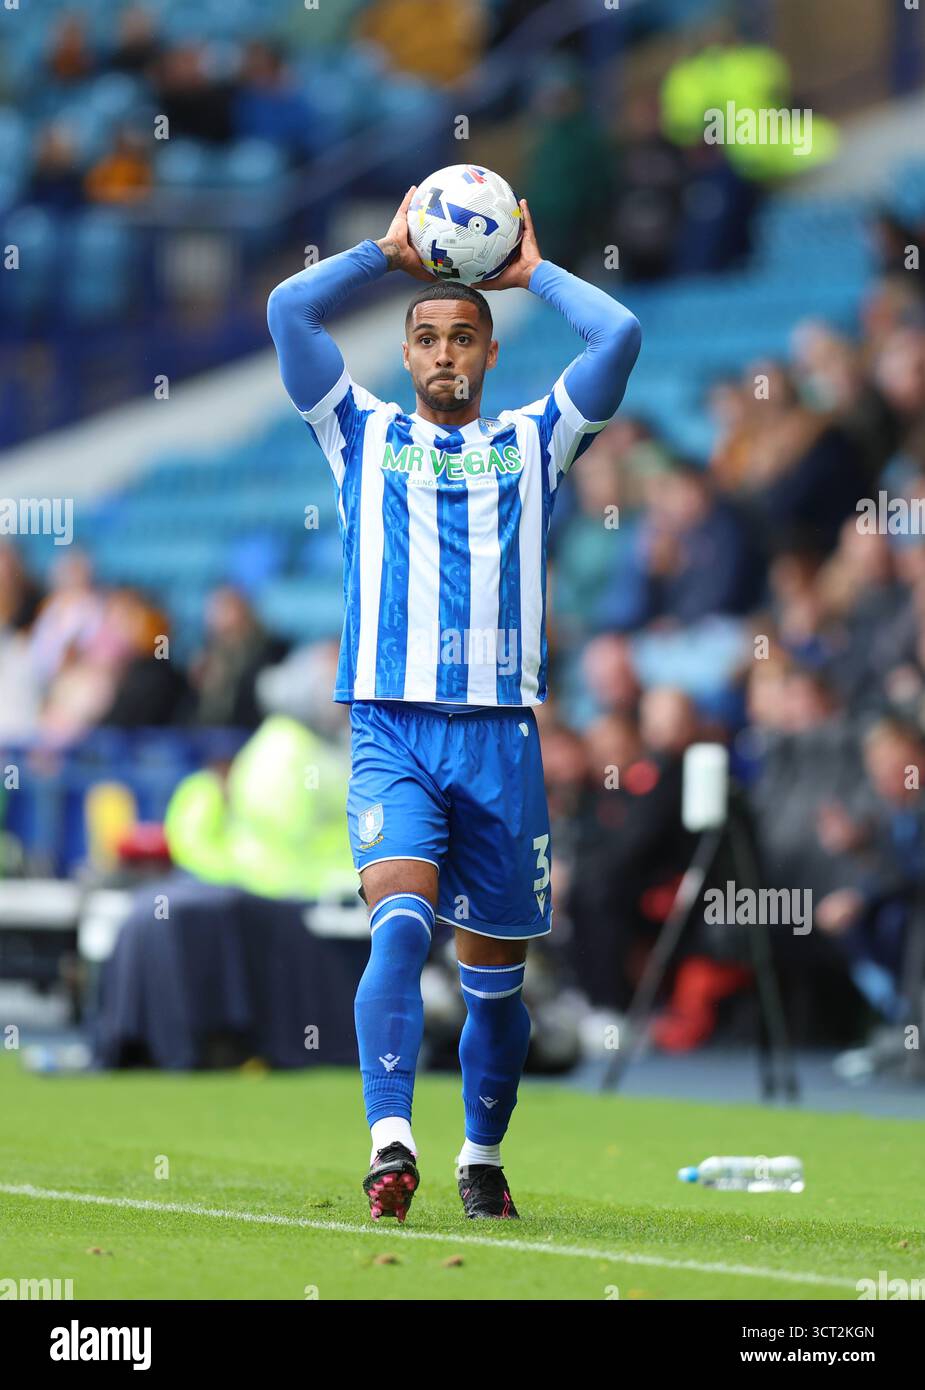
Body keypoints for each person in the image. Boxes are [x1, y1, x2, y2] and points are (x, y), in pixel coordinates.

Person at [267, 186, 641, 1222]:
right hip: (390, 725)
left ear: (485, 352)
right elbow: (287, 313)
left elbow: (620, 331)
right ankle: (391, 1141)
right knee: (397, 926)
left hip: (501, 743)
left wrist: (528, 273)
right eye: (425, 336)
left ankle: (480, 1153)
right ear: (405, 352)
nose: (442, 353)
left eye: (461, 337)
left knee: (496, 992)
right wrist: (384, 254)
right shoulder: (357, 434)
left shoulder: (535, 442)